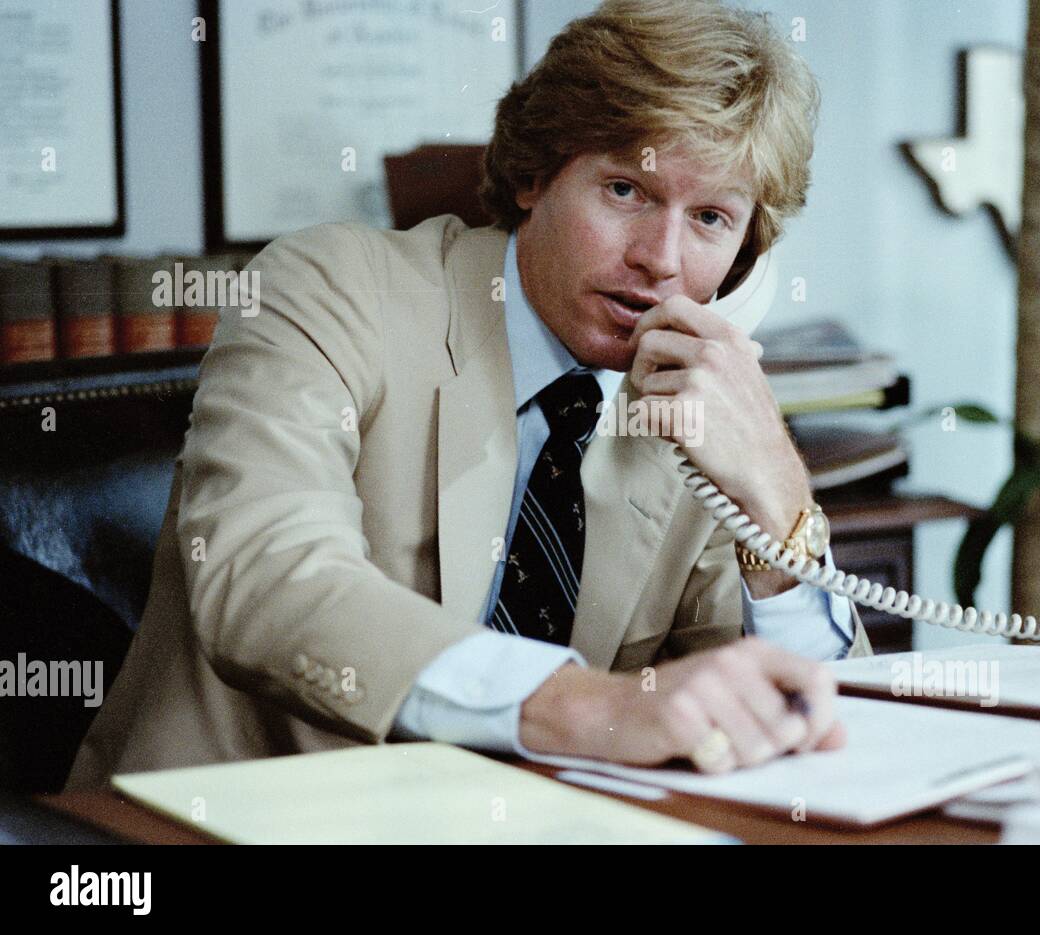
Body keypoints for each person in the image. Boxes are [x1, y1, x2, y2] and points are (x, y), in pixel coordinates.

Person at [64, 0, 871, 792]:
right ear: (533, 175)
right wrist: (588, 705)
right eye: (626, 190)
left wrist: (776, 496)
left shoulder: (692, 405)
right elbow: (267, 576)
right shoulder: (327, 287)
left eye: (709, 218)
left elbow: (826, 736)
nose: (661, 260)